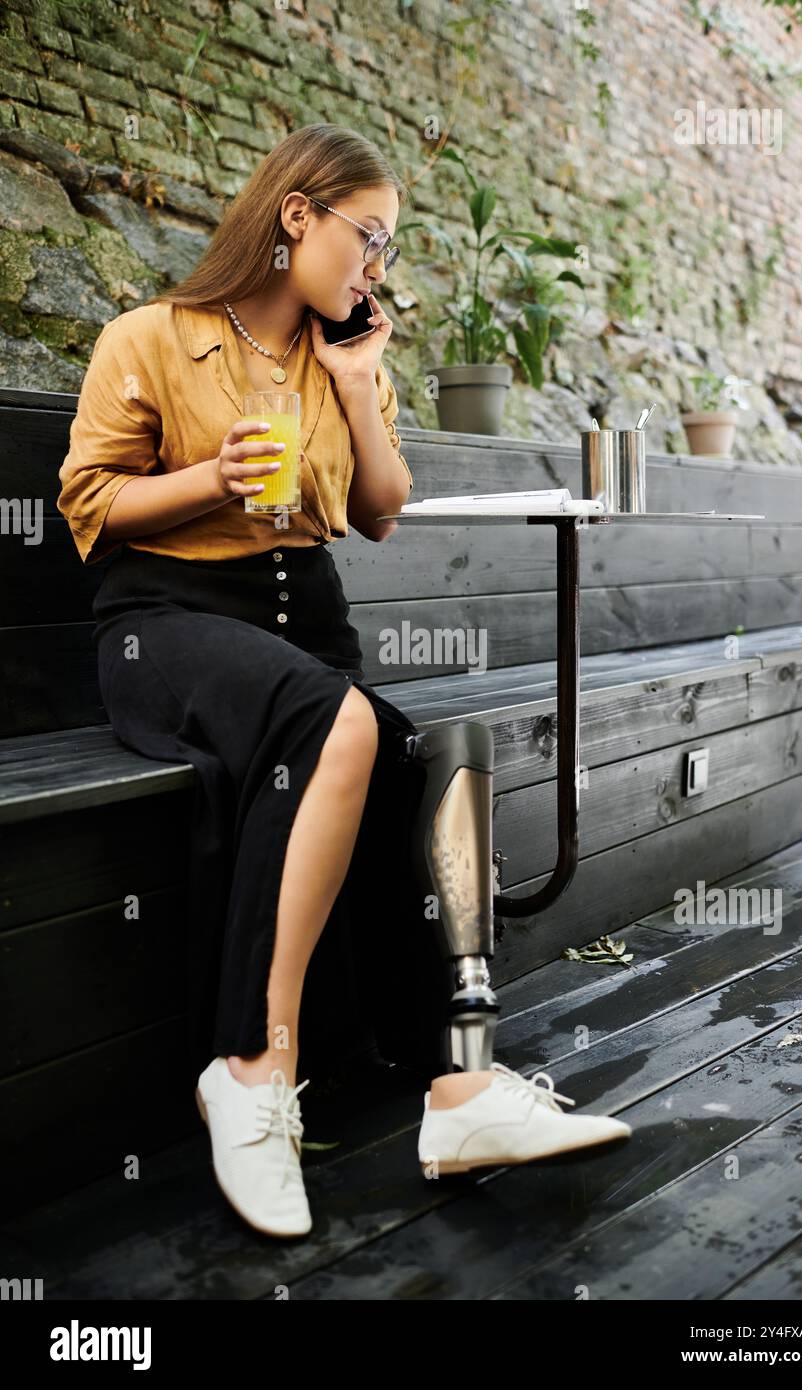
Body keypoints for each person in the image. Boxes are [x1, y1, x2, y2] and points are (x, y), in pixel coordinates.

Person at [57, 123, 630, 1240]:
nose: (377, 267)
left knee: (424, 755)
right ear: (295, 217)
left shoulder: (337, 360)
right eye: (368, 238)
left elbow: (375, 509)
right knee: (337, 723)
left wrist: (361, 384)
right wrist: (207, 478)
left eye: (389, 249)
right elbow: (89, 505)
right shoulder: (152, 338)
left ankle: (459, 1085)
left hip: (301, 627)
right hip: (168, 623)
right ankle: (253, 1066)